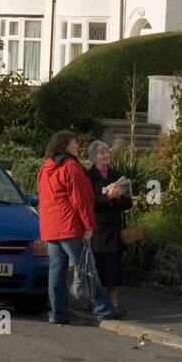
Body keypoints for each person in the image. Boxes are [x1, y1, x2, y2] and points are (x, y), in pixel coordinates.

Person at [36, 131, 122, 325]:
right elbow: (81, 200)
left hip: (51, 228)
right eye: (74, 143)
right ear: (65, 146)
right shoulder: (71, 168)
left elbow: (43, 197)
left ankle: (57, 313)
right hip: (70, 226)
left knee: (56, 272)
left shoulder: (45, 168)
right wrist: (89, 225)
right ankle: (104, 309)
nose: (77, 147)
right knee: (86, 269)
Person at [86, 139, 133, 308]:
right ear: (94, 157)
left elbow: (129, 203)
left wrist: (119, 197)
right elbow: (89, 202)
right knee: (97, 267)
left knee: (114, 268)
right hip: (97, 229)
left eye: (107, 152)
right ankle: (95, 301)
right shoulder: (88, 176)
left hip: (114, 228)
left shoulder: (117, 175)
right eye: (101, 153)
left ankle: (113, 301)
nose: (105, 155)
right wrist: (108, 197)